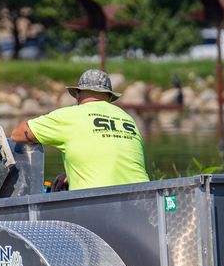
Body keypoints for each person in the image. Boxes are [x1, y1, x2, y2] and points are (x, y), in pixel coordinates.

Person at [10, 68, 149, 191]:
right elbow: (111, 157)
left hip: (99, 206)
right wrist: (70, 175)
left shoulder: (69, 116)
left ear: (77, 93)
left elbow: (18, 134)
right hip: (143, 200)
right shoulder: (127, 118)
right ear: (109, 96)